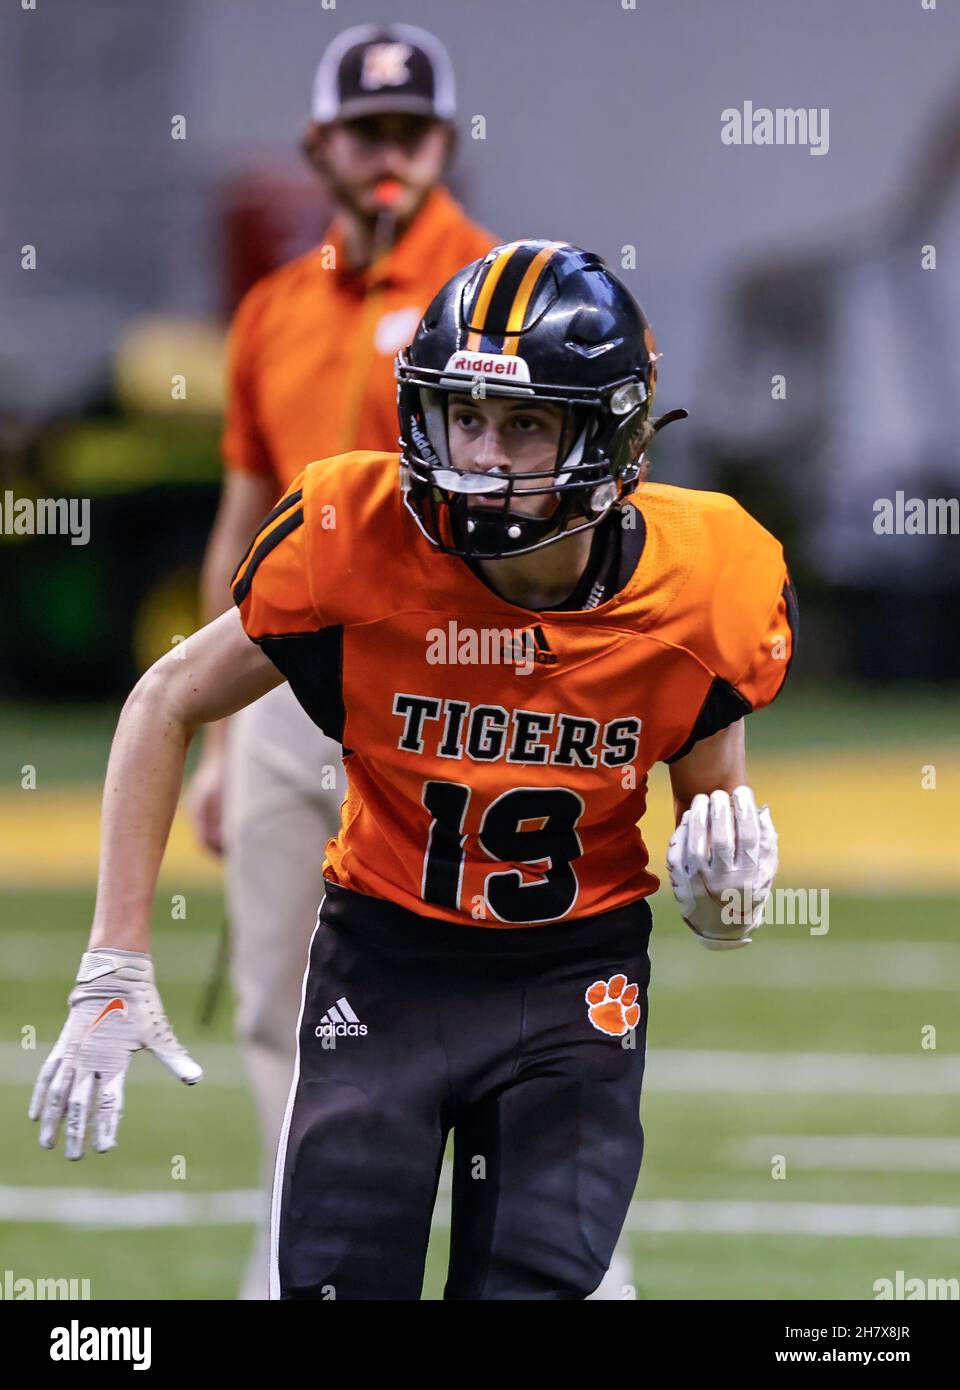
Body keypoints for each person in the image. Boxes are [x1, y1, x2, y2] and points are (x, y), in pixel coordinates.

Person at [29, 241, 796, 1300]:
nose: (482, 454)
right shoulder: (357, 534)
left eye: (526, 424)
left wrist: (727, 897)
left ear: (613, 435)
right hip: (384, 973)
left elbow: (721, 858)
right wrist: (115, 956)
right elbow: (166, 697)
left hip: (572, 988)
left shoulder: (707, 581)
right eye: (464, 417)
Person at [185, 23, 496, 1296]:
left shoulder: (494, 290)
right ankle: (295, 1263)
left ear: (445, 142)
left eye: (409, 130)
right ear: (320, 143)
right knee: (274, 1001)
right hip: (277, 688)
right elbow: (242, 521)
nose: (388, 154)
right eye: (365, 130)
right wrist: (215, 734)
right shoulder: (272, 309)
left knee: (481, 1001)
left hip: (433, 687)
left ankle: (538, 1258)